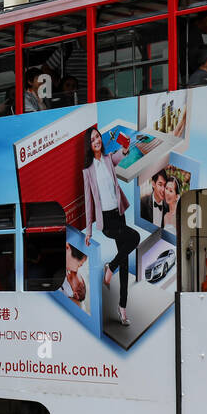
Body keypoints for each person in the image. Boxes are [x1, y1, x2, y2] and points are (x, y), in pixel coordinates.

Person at [82, 126, 138, 326]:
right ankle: (110, 267)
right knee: (135, 238)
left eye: (98, 137)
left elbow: (120, 155)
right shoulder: (87, 171)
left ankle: (122, 308)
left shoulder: (108, 159)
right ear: (89, 145)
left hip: (119, 214)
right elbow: (88, 203)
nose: (96, 140)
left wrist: (125, 148)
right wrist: (88, 231)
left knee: (124, 262)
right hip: (107, 221)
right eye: (93, 139)